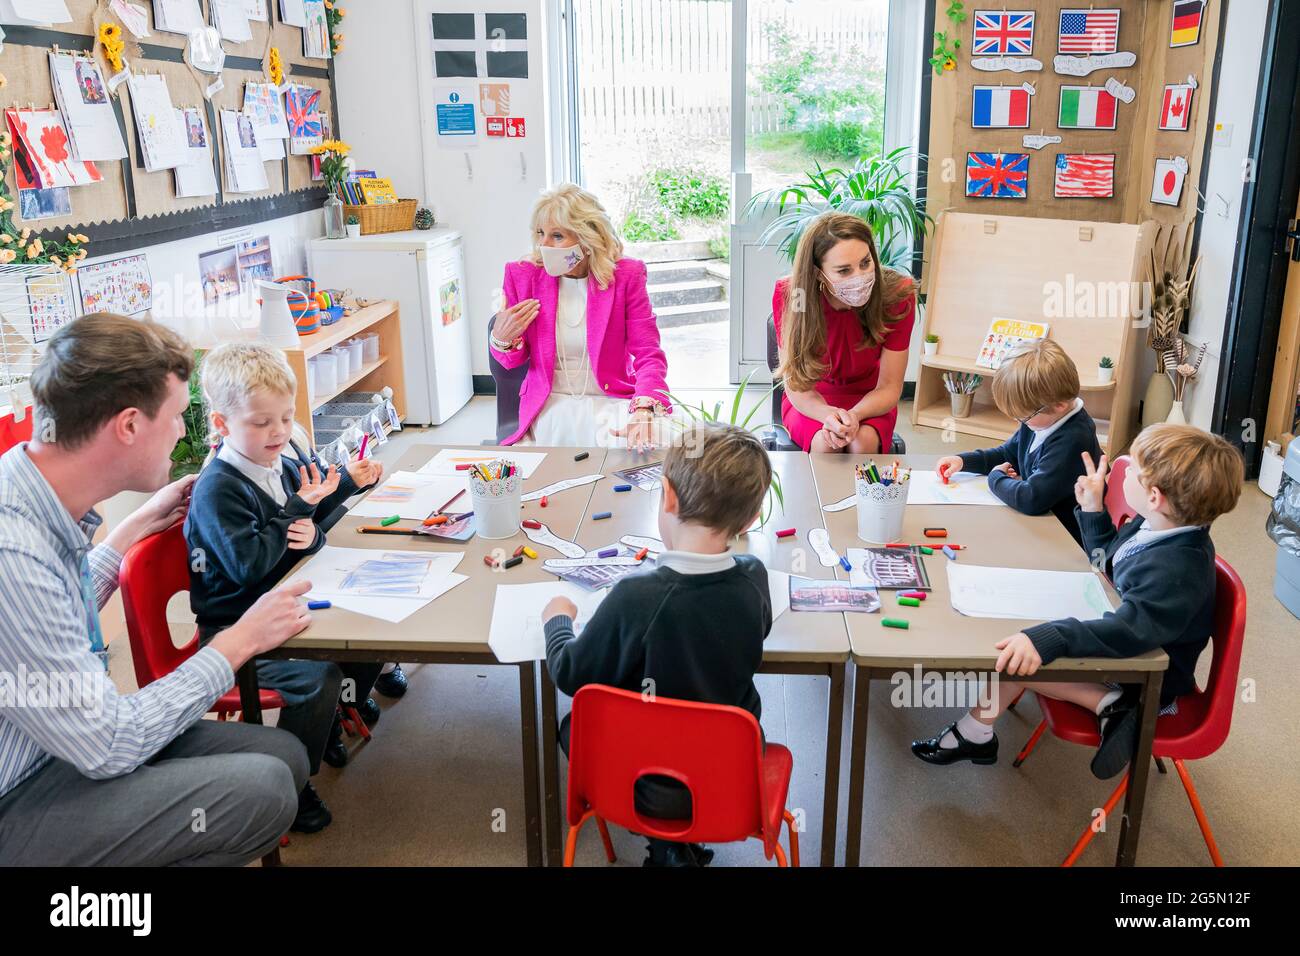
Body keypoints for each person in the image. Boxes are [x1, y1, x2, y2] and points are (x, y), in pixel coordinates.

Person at [0, 313, 312, 865]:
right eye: (175, 417)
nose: (184, 432)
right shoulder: (13, 550)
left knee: (283, 755)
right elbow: (109, 741)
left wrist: (126, 533)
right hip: (21, 787)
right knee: (261, 790)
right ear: (128, 426)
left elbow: (51, 610)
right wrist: (236, 642)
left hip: (53, 742)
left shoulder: (28, 486)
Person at [912, 424, 1243, 780]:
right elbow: (1107, 565)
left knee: (1020, 650)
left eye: (1133, 470)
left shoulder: (1178, 568)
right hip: (1122, 634)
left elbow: (1130, 631)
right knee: (1022, 637)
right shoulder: (1156, 527)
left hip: (1146, 676)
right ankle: (983, 729)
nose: (1124, 469)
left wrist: (1052, 637)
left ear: (1154, 497)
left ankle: (1111, 704)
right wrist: (1092, 510)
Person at [542, 422, 774, 866]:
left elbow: (569, 673)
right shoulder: (754, 578)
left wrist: (557, 620)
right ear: (749, 520)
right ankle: (674, 849)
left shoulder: (635, 597)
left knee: (574, 726)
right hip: (731, 779)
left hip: (642, 787)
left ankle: (667, 847)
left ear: (667, 495)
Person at [184, 344, 385, 831]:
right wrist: (298, 513)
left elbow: (306, 521)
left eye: (286, 417)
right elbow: (250, 565)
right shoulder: (219, 489)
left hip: (285, 599)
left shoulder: (282, 457)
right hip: (236, 625)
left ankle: (341, 709)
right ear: (222, 423)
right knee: (317, 681)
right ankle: (294, 781)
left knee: (377, 613)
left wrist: (318, 517)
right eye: (260, 422)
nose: (278, 432)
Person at [489, 183, 671, 450]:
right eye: (540, 233)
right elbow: (510, 362)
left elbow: (649, 354)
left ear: (587, 239)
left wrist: (644, 408)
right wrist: (501, 339)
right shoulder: (523, 275)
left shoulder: (626, 276)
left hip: (613, 398)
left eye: (557, 236)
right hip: (550, 402)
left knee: (657, 450)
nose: (544, 245)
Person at [772, 211, 916, 454]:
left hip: (872, 399)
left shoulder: (897, 296)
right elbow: (797, 384)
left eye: (865, 263)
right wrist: (827, 415)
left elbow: (890, 387)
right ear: (819, 272)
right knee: (825, 445)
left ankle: (862, 495)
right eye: (844, 271)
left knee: (861, 443)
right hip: (811, 400)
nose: (859, 277)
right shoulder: (792, 295)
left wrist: (855, 416)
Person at [934, 338, 1101, 546]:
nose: (1019, 422)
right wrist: (964, 461)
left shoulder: (1073, 440)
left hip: (1065, 539)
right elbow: (1008, 454)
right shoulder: (1041, 420)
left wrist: (995, 478)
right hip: (1040, 525)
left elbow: (1031, 498)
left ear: (1059, 405)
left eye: (1023, 417)